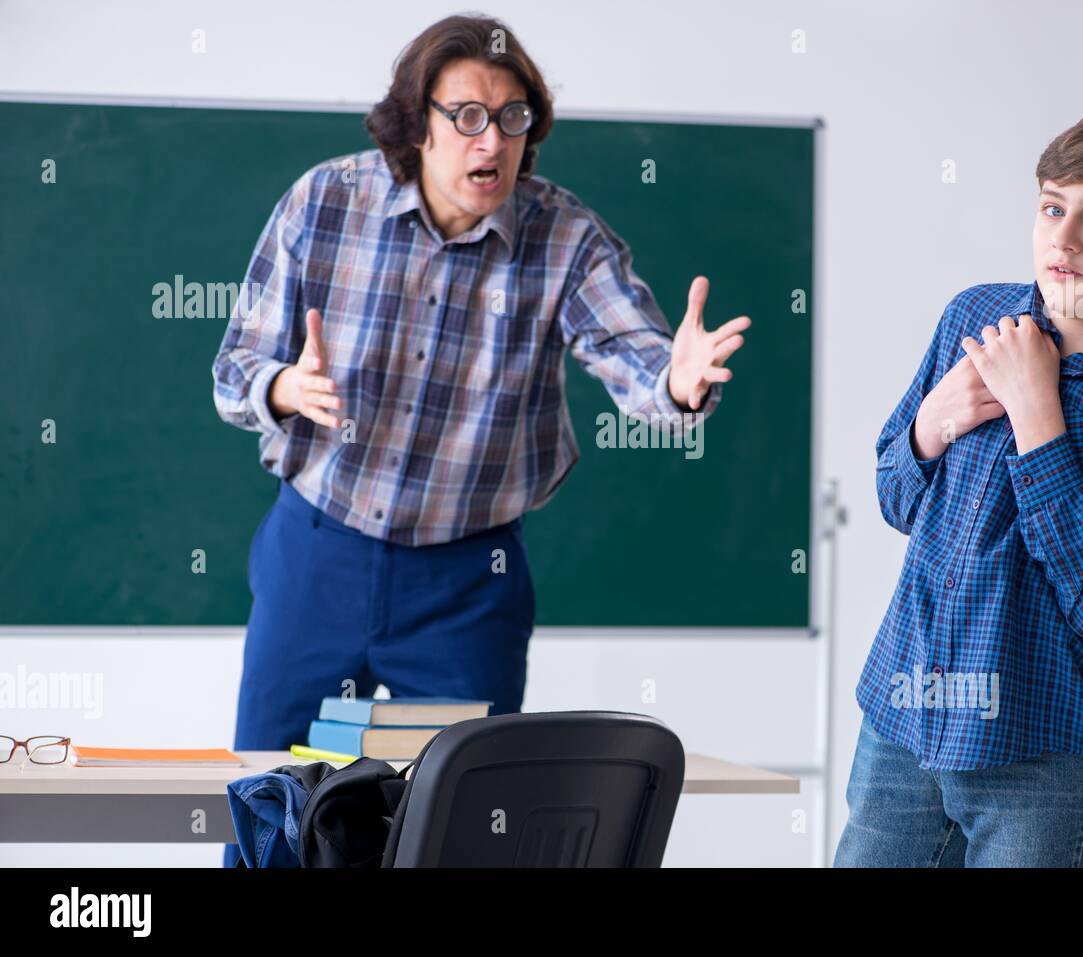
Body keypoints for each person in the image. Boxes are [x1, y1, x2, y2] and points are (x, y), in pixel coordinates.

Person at [211, 14, 749, 867]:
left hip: (468, 581)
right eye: (466, 115)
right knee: (271, 806)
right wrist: (284, 386)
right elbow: (233, 369)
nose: (490, 139)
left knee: (467, 826)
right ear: (416, 122)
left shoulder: (565, 237)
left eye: (512, 117)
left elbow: (642, 361)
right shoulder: (325, 202)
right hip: (318, 554)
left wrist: (680, 383)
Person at [835, 102, 1083, 867]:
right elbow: (895, 497)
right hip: (904, 721)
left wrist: (1036, 412)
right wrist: (930, 426)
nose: (1063, 239)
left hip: (1041, 752)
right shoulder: (973, 316)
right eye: (1051, 207)